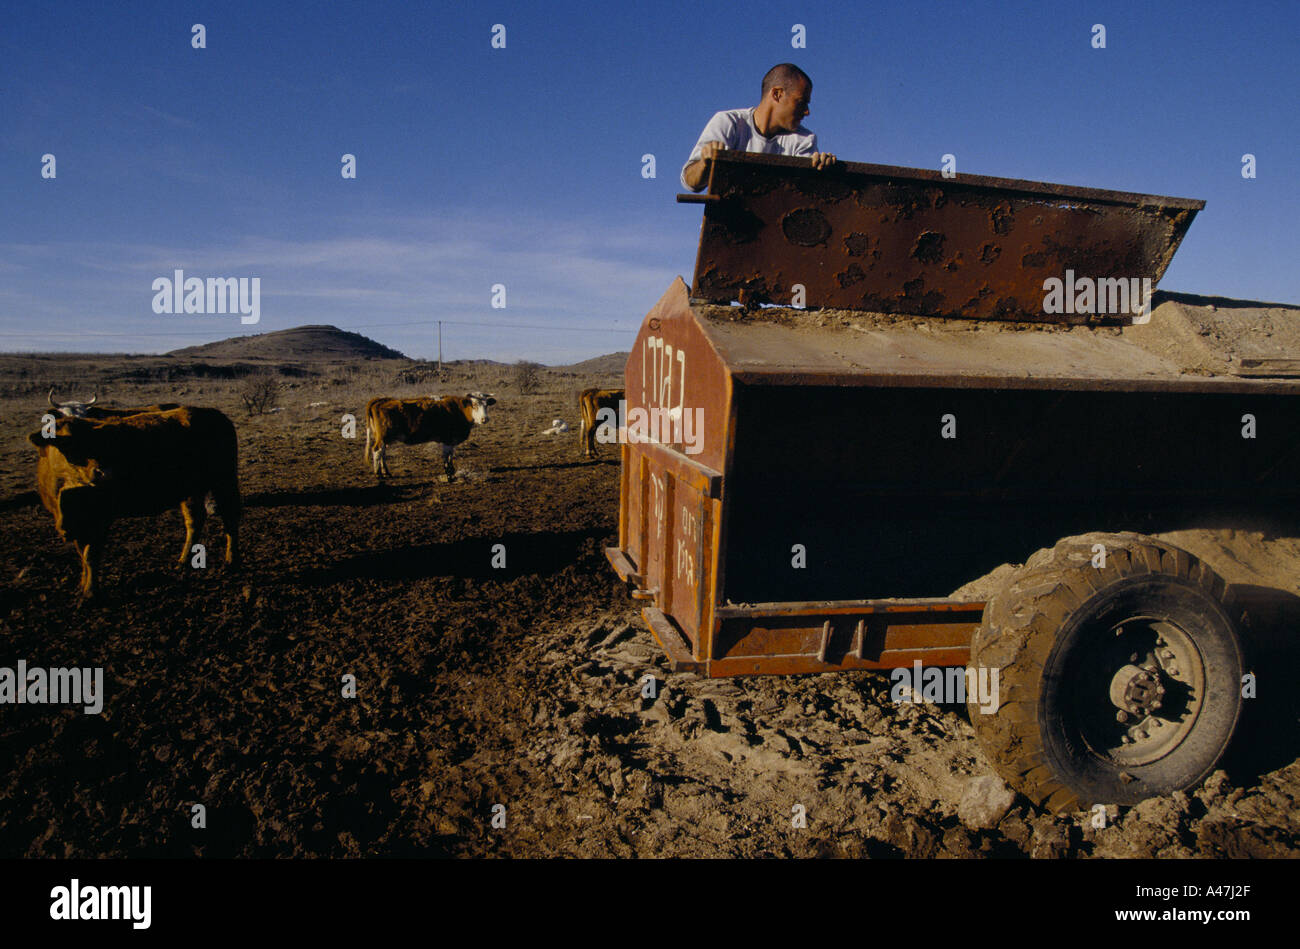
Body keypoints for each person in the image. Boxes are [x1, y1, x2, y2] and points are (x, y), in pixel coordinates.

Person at [681, 63, 837, 192]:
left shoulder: (804, 140)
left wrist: (820, 172)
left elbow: (804, 194)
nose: (807, 112)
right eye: (801, 102)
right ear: (777, 94)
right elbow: (690, 182)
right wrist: (705, 163)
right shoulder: (729, 123)